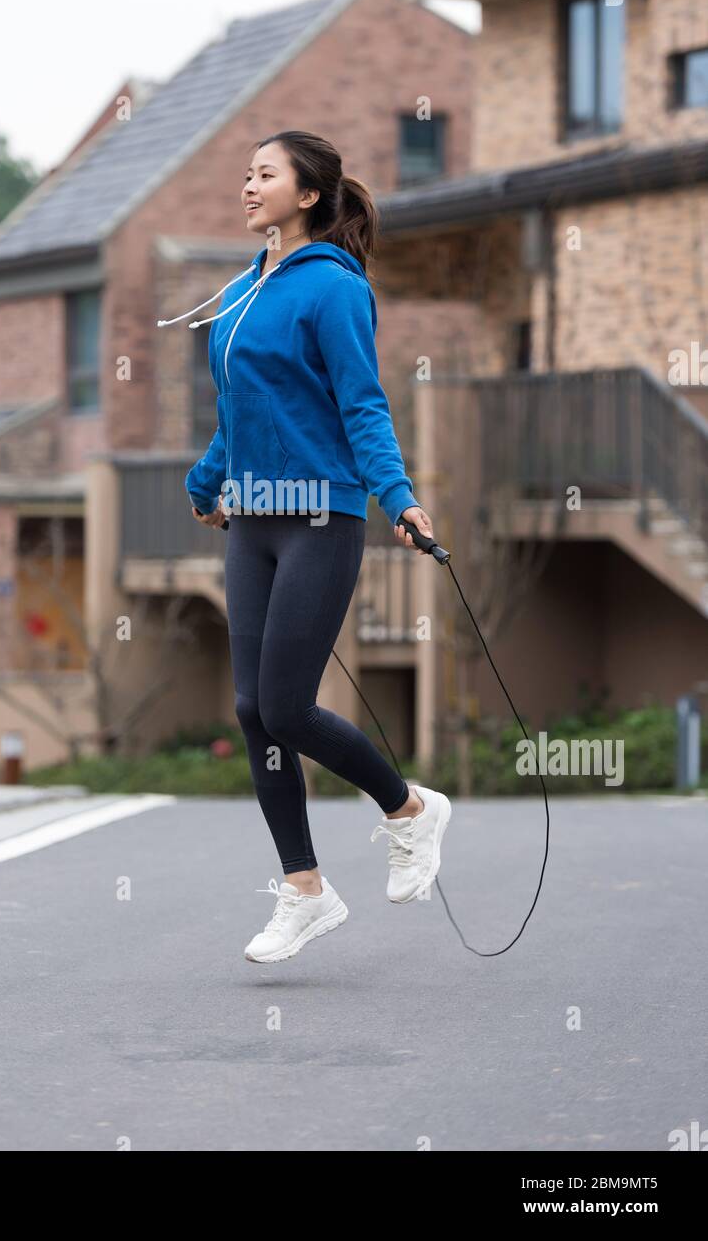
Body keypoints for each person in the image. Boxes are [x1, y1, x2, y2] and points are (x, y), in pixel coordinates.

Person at [171, 129, 451, 963]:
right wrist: (205, 481)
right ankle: (304, 889)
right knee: (253, 710)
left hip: (321, 516)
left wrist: (396, 498)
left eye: (265, 173)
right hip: (252, 517)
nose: (247, 184)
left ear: (304, 195)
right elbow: (238, 407)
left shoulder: (334, 288)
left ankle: (408, 811)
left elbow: (363, 404)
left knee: (287, 705)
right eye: (245, 172)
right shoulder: (241, 290)